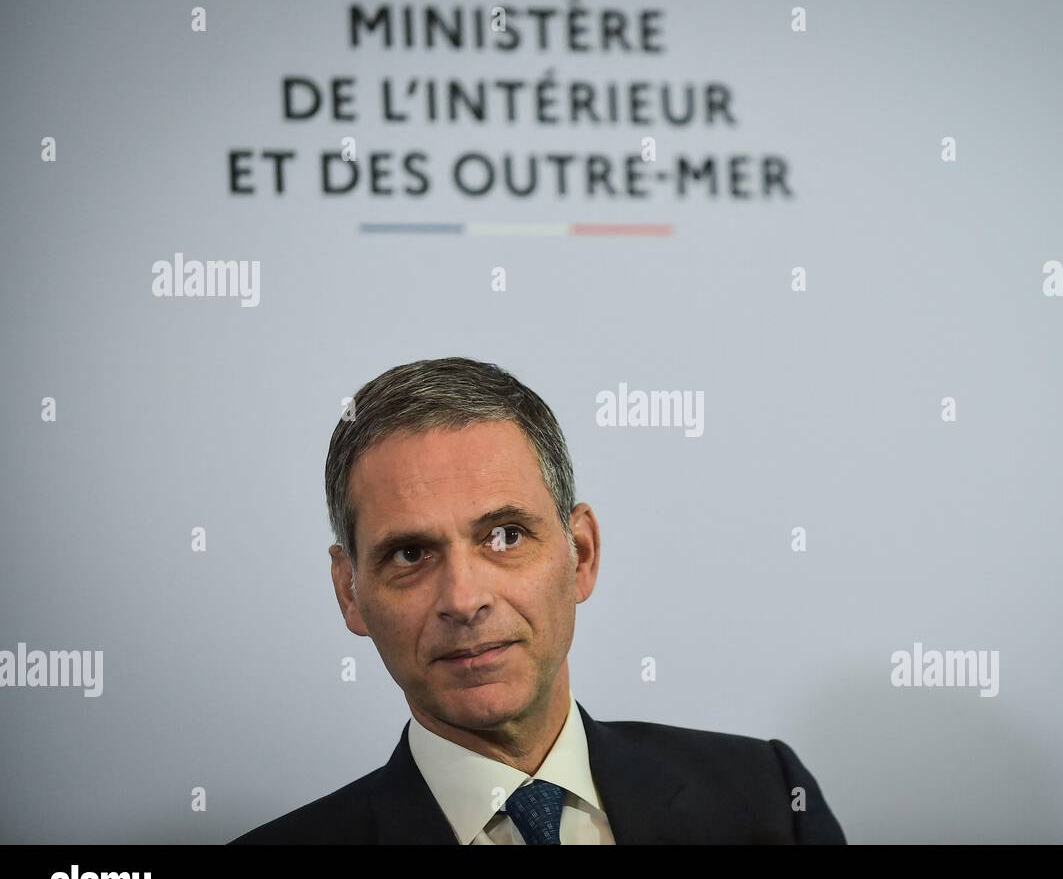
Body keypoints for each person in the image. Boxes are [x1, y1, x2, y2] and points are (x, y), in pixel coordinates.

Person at [230, 357, 846, 844]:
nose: (464, 599)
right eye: (412, 555)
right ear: (350, 593)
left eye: (505, 536)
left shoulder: (766, 797)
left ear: (581, 552)